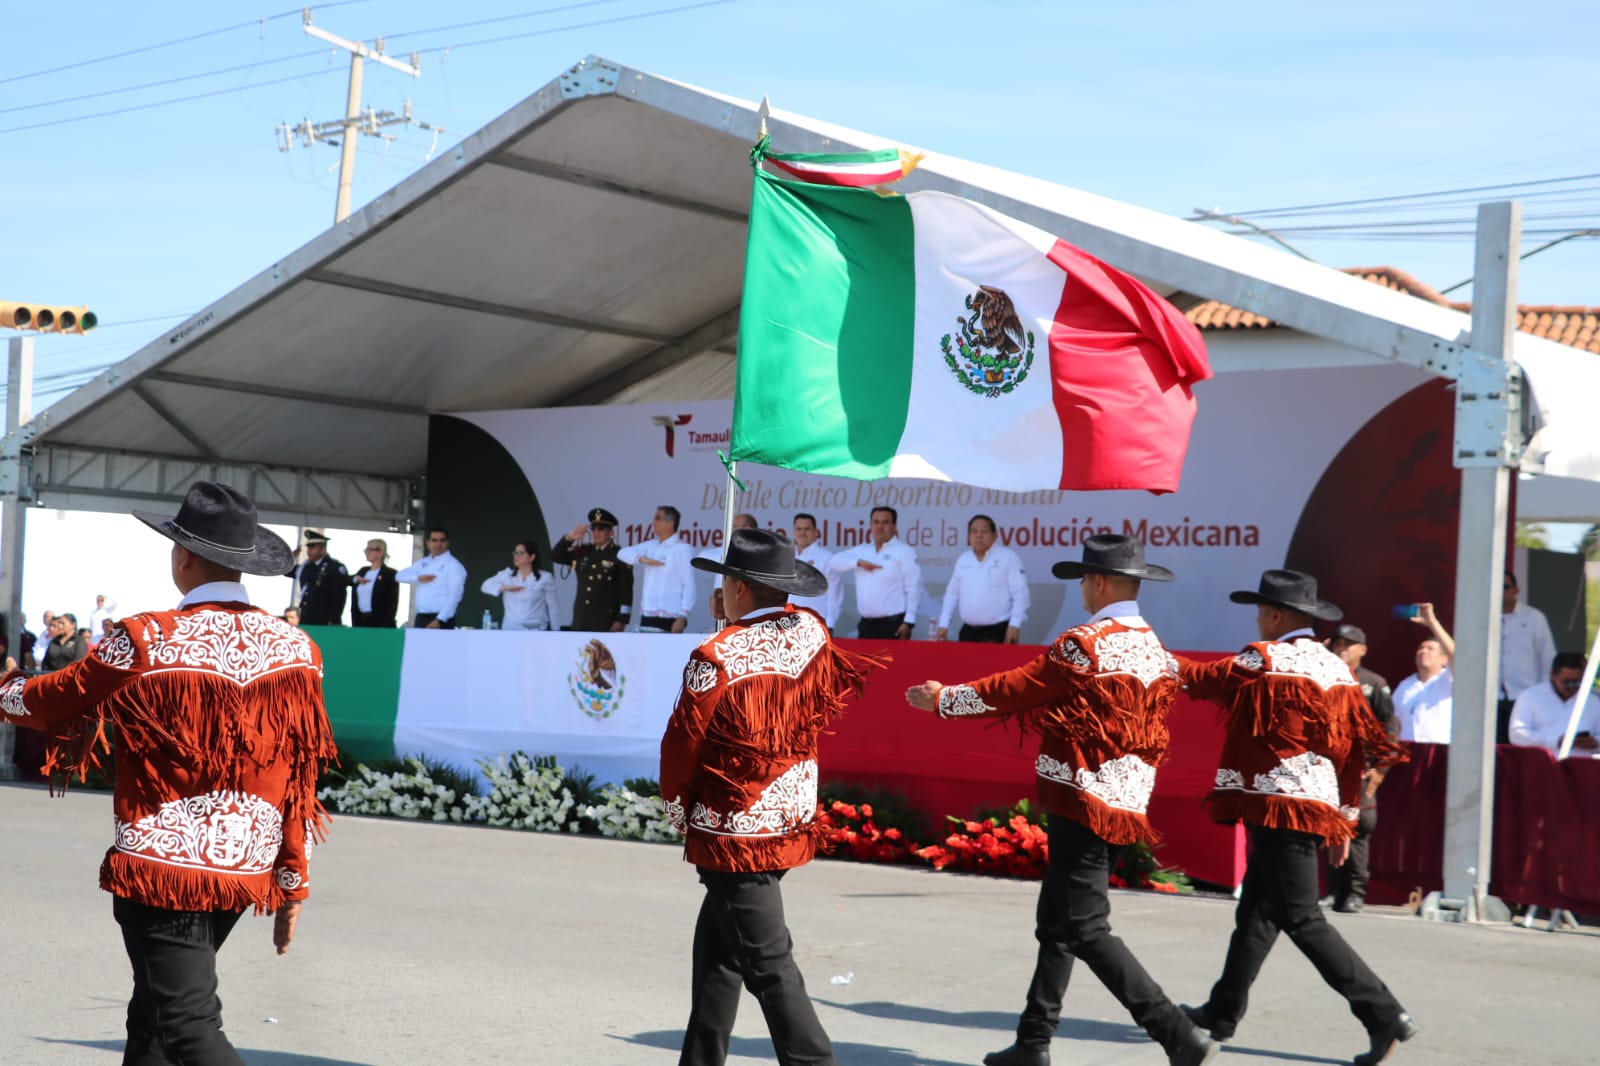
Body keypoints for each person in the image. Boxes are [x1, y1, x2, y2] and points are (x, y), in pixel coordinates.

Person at [0, 480, 336, 1064]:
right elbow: (298, 775)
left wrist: (6, 686)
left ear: (181, 556)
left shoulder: (147, 638)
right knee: (153, 1022)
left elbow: (53, 700)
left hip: (163, 868)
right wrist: (292, 881)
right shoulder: (299, 649)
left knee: (187, 1026)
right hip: (242, 870)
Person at [905, 534, 1217, 1066]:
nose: (1081, 589)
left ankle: (1177, 1035)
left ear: (1098, 583)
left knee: (1084, 927)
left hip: (1083, 801)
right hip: (1125, 804)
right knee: (1058, 922)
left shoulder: (1085, 644)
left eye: (1083, 580)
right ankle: (1033, 1040)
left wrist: (942, 701)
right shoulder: (1157, 652)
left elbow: (1014, 688)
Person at [661, 528, 883, 1066]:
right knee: (719, 955)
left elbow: (681, 746)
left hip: (734, 830)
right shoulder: (812, 630)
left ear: (737, 587)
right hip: (789, 815)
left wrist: (676, 808)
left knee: (768, 964)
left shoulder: (713, 654)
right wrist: (737, 619)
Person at [1178, 569, 1415, 1066]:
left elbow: (1201, 680)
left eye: (1262, 610)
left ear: (1275, 615)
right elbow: (1355, 752)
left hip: (1278, 806)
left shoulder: (1263, 658)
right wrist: (1344, 818)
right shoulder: (1335, 670)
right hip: (1312, 806)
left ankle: (1383, 1013)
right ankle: (1222, 1013)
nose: (1259, 619)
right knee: (1258, 914)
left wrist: (1148, 659)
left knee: (1300, 916)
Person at [1324, 624, 1399, 913]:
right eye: (1338, 643)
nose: (1342, 648)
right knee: (1329, 827)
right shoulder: (1324, 677)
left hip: (1360, 770)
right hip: (1328, 767)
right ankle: (1332, 890)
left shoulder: (1373, 683)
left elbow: (1390, 728)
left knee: (1358, 828)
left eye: (1349, 644)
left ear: (1363, 650)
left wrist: (1381, 770)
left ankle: (1355, 893)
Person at [826, 506, 924, 639]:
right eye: (876, 522)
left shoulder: (904, 551)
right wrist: (858, 562)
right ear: (871, 525)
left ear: (894, 526)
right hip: (866, 625)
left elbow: (914, 588)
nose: (880, 527)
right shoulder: (862, 551)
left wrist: (909, 622)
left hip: (894, 625)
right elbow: (833, 562)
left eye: (885, 522)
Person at [935, 514, 1030, 643]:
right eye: (974, 531)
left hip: (998, 632)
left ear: (995, 535)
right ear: (969, 536)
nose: (978, 535)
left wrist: (1015, 624)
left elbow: (1020, 593)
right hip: (968, 632)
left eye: (984, 531)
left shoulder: (1008, 558)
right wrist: (943, 623)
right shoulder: (964, 559)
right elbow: (952, 594)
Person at [617, 505, 696, 632]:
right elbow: (621, 553)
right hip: (648, 615)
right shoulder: (651, 546)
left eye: (657, 518)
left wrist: (682, 616)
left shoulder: (683, 549)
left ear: (670, 523)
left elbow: (689, 584)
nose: (653, 522)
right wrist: (642, 559)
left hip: (671, 616)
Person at [552, 508, 633, 632]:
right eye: (593, 528)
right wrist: (569, 538)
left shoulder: (620, 555)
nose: (596, 532)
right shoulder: (583, 551)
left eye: (601, 529)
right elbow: (555, 556)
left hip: (606, 619)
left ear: (611, 532)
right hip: (581, 618)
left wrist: (622, 620)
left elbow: (626, 592)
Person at [1508, 651, 1600, 757]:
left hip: (1581, 767)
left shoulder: (1592, 701)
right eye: (1567, 682)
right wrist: (1557, 741)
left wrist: (1595, 742)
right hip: (1541, 766)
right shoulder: (1530, 696)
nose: (1571, 686)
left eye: (1577, 682)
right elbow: (1517, 735)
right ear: (1552, 675)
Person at [1392, 603, 1454, 744]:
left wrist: (1433, 623)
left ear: (1444, 659)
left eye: (1430, 649)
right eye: (1421, 648)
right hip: (1409, 754)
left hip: (1439, 752)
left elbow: (1455, 655)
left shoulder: (1448, 679)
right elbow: (1392, 722)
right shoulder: (1405, 685)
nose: (1423, 651)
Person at [1500, 570, 1556, 701]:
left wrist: (1543, 694)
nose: (1500, 591)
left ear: (1516, 590)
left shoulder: (1534, 618)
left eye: (1505, 587)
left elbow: (1548, 659)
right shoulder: (1482, 618)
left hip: (1525, 696)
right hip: (1490, 697)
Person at [396, 526, 468, 628]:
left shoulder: (454, 566)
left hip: (441, 619)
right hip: (421, 617)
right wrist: (418, 578)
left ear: (447, 543)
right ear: (428, 543)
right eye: (434, 540)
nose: (438, 544)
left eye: (442, 540)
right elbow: (399, 576)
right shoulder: (423, 562)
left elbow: (454, 596)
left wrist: (440, 620)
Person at [480, 540, 560, 631]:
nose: (516, 556)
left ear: (532, 557)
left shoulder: (545, 577)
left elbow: (553, 607)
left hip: (535, 629)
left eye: (521, 553)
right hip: (510, 629)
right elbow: (485, 586)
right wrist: (505, 587)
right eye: (515, 553)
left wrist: (556, 632)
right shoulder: (507, 574)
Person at [787, 512, 843, 631]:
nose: (802, 533)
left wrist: (830, 624)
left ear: (815, 532)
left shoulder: (827, 558)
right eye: (799, 529)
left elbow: (835, 596)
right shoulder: (786, 557)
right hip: (788, 625)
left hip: (816, 625)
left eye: (807, 529)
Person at [700, 513, 757, 623]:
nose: (732, 529)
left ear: (748, 528)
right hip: (723, 611)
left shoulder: (757, 553)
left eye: (735, 526)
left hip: (745, 611)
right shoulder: (725, 551)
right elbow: (702, 556)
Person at [291, 531, 349, 626]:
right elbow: (285, 570)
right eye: (309, 548)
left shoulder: (334, 567)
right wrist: (291, 557)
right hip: (307, 618)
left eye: (313, 547)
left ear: (322, 549)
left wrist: (333, 619)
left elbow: (338, 596)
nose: (309, 551)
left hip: (325, 620)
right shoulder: (305, 567)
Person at [350, 538, 400, 628]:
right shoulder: (362, 571)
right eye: (366, 549)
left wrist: (386, 625)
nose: (366, 552)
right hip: (361, 620)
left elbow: (392, 603)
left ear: (380, 552)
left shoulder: (390, 574)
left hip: (380, 622)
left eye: (370, 549)